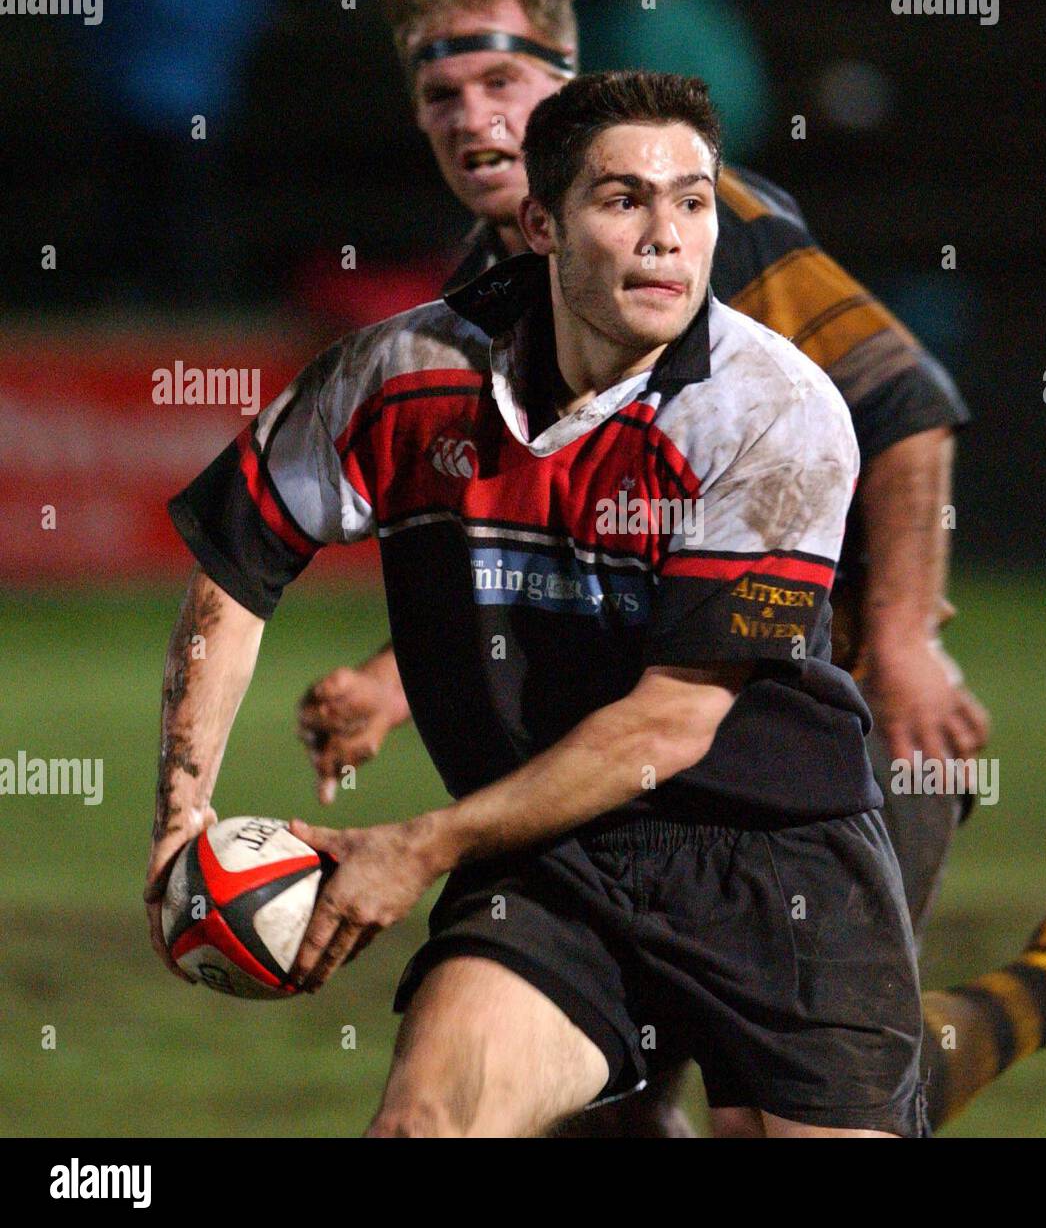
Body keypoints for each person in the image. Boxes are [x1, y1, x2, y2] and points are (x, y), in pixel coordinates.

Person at [293, 0, 1046, 1137]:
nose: (477, 115)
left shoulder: (708, 222)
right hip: (640, 750)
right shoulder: (502, 281)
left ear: (573, 78)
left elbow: (904, 398)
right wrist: (389, 682)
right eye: (444, 90)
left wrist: (899, 640)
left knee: (813, 1102)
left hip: (812, 732)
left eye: (503, 79)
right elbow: (547, 540)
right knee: (600, 1096)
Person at [148, 69, 927, 1137]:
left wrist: (419, 846)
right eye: (623, 200)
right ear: (541, 224)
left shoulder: (773, 412)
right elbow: (239, 567)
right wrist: (180, 814)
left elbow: (675, 721)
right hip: (552, 862)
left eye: (692, 202)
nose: (667, 238)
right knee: (423, 1126)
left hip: (779, 870)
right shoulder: (401, 373)